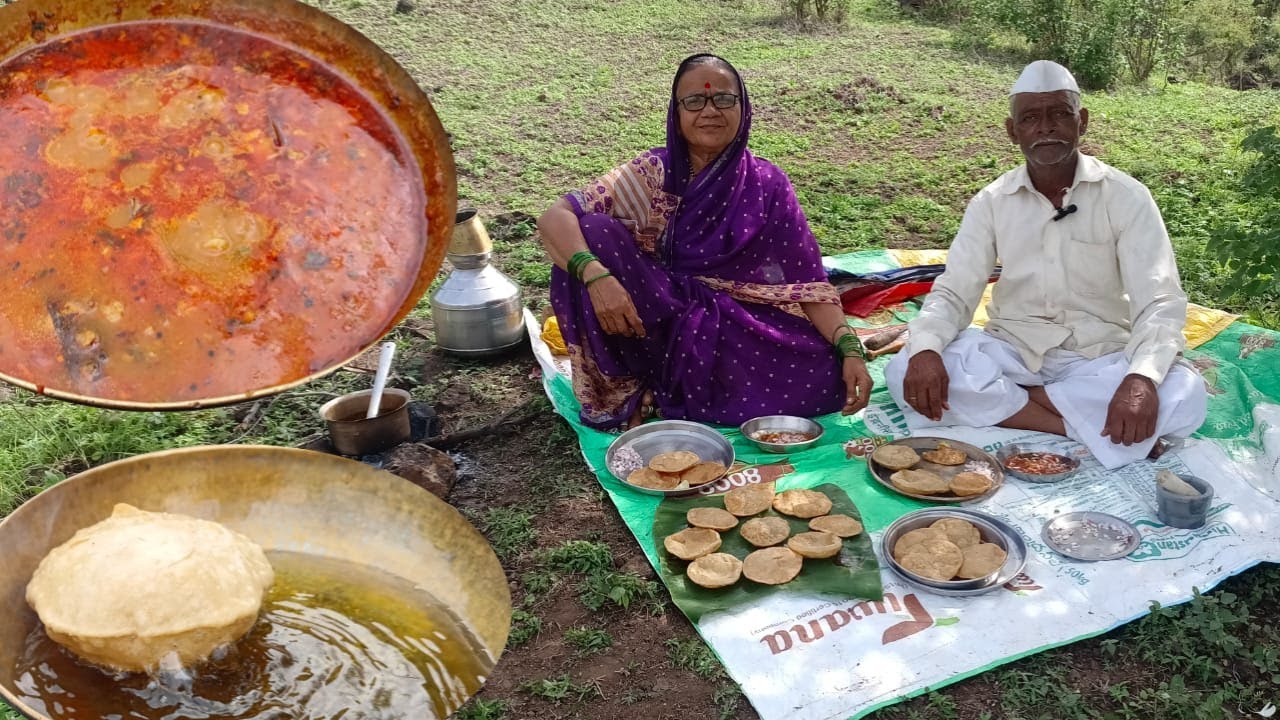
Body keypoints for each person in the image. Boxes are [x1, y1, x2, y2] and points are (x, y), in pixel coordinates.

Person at [885, 60, 1208, 469]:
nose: (1046, 128)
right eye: (1031, 118)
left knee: (1186, 393)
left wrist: (1140, 379)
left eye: (1059, 114)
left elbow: (1159, 300)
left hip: (1098, 356)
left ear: (1082, 122)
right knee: (904, 369)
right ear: (1012, 131)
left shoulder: (1127, 196)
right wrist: (927, 350)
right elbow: (954, 290)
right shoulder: (992, 201)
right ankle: (1076, 427)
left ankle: (1012, 409)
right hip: (1012, 350)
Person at [538, 53, 873, 431]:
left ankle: (666, 390)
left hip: (733, 321)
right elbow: (555, 218)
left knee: (823, 379)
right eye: (694, 101)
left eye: (723, 99)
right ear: (676, 113)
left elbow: (808, 282)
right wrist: (597, 276)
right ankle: (633, 385)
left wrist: (847, 347)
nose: (709, 111)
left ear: (742, 108)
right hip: (653, 314)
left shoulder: (767, 184)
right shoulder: (652, 173)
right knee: (594, 233)